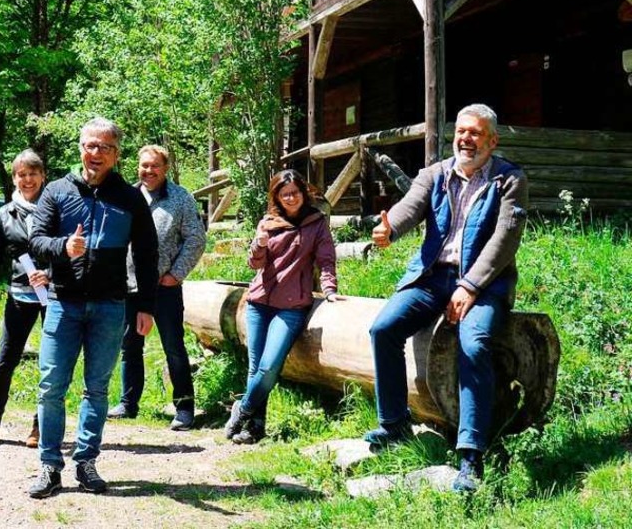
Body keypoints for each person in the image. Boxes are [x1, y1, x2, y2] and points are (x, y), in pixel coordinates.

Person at [363, 104, 528, 493]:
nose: (466, 139)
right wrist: (389, 230)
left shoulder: (509, 179)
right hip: (432, 276)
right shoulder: (435, 173)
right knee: (383, 329)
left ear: (492, 141)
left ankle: (471, 456)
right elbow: (409, 208)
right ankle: (394, 424)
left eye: (475, 133)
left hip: (485, 283)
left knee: (474, 344)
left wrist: (470, 286)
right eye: (461, 132)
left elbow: (506, 239)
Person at [26, 118, 159, 499]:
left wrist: (145, 305)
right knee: (51, 387)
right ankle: (50, 466)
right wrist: (63, 247)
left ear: (116, 155)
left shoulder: (130, 198)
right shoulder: (57, 191)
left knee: (97, 389)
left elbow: (147, 255)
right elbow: (36, 241)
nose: (95, 153)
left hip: (110, 306)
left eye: (104, 147)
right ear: (80, 148)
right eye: (90, 145)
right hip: (63, 304)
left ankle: (86, 462)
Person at [223, 170, 340, 445]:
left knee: (269, 367)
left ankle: (242, 409)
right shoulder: (268, 222)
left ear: (303, 193)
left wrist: (330, 289)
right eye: (284, 194)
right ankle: (255, 427)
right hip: (258, 302)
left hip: (292, 306)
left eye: (295, 193)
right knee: (255, 368)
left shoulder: (316, 222)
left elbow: (326, 259)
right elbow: (254, 264)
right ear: (277, 197)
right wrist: (259, 244)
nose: (290, 198)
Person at [109, 145, 206, 430]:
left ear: (165, 168)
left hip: (165, 286)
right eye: (144, 165)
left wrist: (176, 274)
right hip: (130, 285)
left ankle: (184, 407)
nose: (148, 171)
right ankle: (128, 403)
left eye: (154, 166)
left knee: (173, 346)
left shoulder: (180, 198)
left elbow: (196, 238)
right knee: (129, 345)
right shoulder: (128, 196)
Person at [0, 150, 51, 449]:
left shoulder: (56, 209)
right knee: (5, 360)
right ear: (14, 178)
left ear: (42, 176)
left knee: (51, 363)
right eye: (21, 175)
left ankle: (40, 426)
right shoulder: (4, 214)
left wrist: (49, 274)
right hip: (19, 295)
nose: (27, 180)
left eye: (33, 174)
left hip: (53, 296)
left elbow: (68, 253)